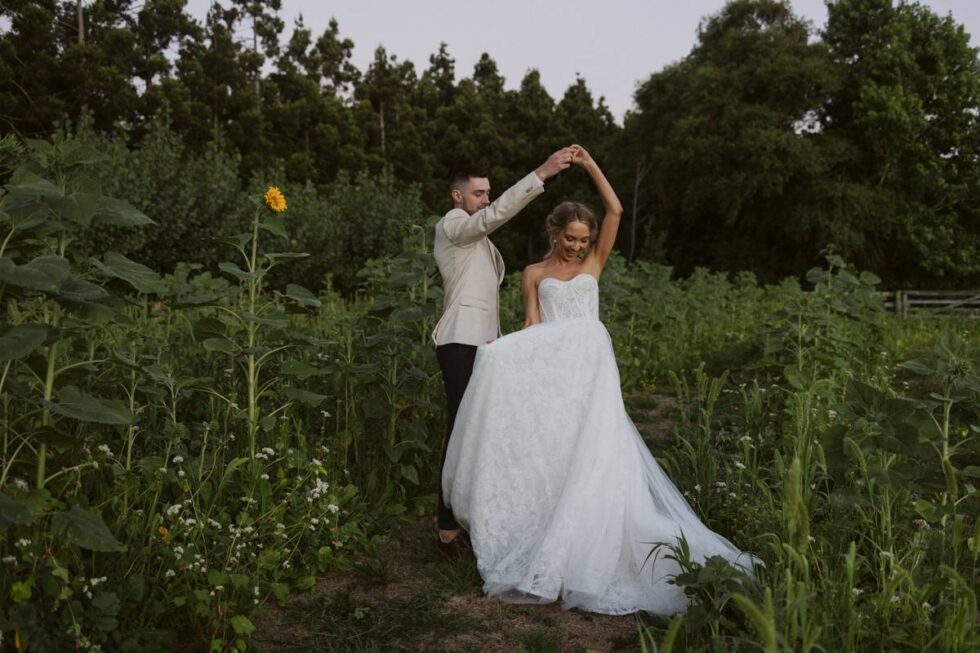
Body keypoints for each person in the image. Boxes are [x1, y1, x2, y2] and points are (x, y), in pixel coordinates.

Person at [442, 145, 755, 614]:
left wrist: (589, 166)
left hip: (591, 370)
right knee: (559, 450)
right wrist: (498, 353)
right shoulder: (532, 273)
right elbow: (531, 328)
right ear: (555, 232)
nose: (576, 246)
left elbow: (616, 209)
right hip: (556, 372)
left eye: (583, 240)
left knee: (598, 449)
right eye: (570, 238)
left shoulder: (593, 266)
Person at [432, 147, 575, 556]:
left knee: (478, 432)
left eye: (488, 192)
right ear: (458, 197)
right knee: (460, 431)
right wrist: (542, 173)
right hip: (459, 342)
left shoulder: (476, 239)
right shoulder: (453, 224)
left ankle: (470, 516)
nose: (486, 200)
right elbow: (494, 217)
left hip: (482, 343)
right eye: (478, 193)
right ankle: (445, 529)